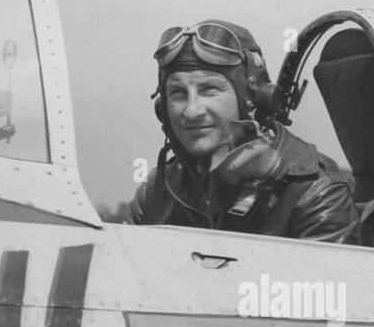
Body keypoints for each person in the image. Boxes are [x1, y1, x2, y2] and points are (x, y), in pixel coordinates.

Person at [125, 20, 361, 243]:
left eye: (209, 89)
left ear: (255, 99)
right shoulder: (156, 193)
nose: (191, 111)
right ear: (161, 108)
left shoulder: (314, 193)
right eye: (177, 92)